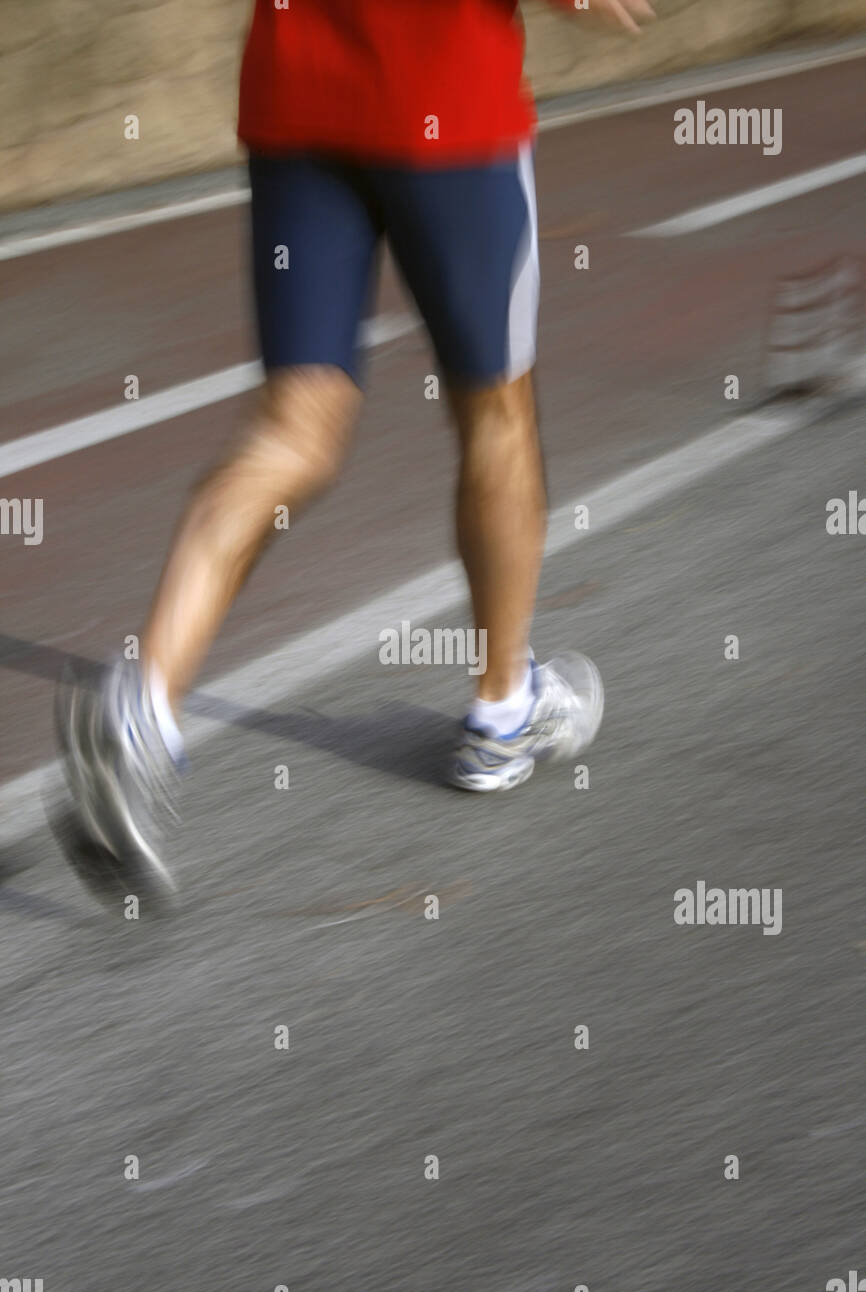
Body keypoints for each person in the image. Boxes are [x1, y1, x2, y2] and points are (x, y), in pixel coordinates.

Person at [55, 0, 654, 898]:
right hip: (449, 102)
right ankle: (501, 712)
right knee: (496, 410)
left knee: (295, 426)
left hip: (298, 100)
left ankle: (142, 707)